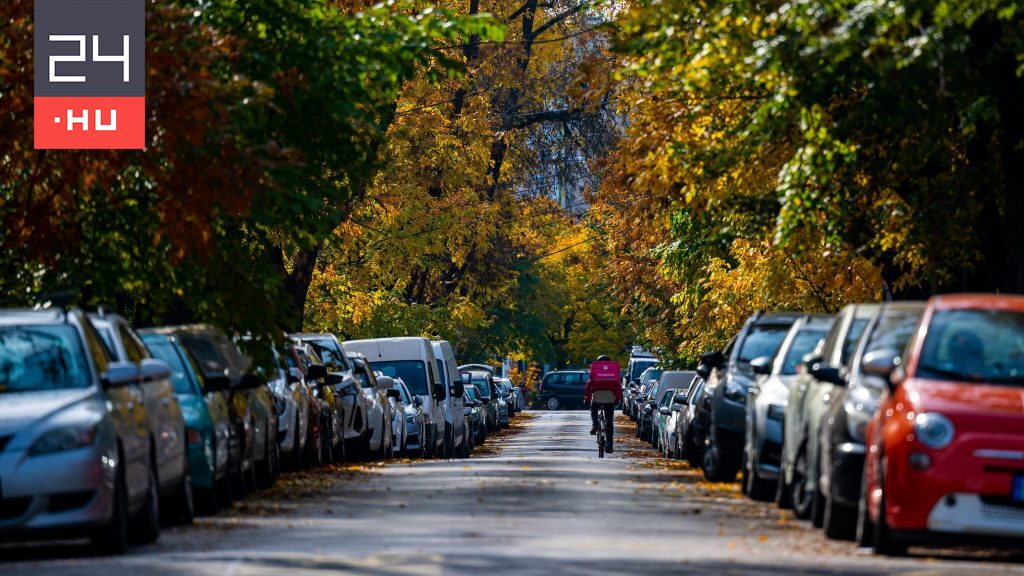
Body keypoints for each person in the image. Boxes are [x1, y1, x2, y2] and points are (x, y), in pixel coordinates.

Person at [584, 354, 622, 452]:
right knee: (609, 422)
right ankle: (609, 446)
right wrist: (617, 399)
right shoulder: (613, 369)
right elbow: (618, 385)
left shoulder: (595, 368)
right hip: (610, 397)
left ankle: (595, 425)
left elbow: (589, 384)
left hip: (597, 396)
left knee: (593, 409)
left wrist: (587, 398)